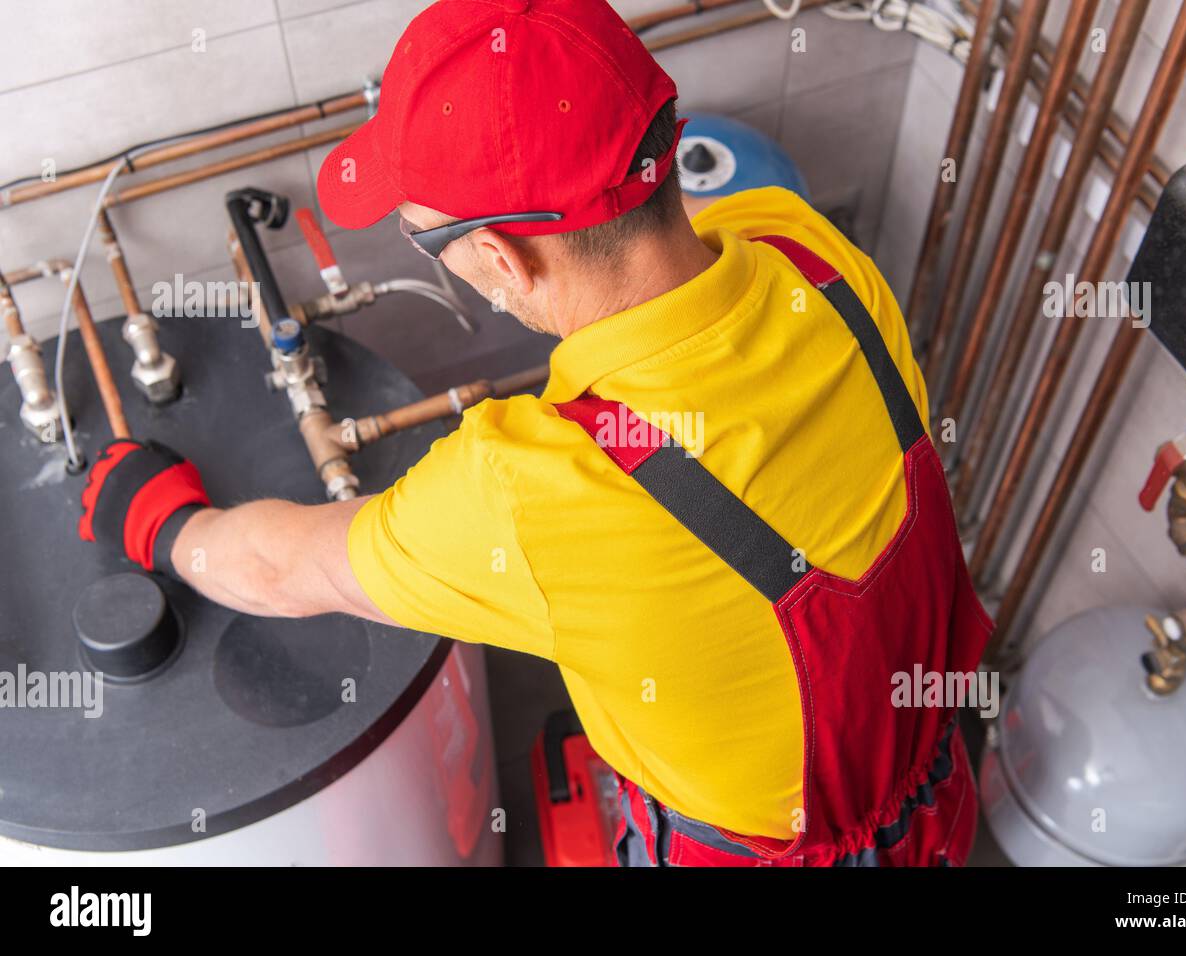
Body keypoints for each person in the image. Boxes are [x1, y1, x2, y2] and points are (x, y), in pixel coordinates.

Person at [80, 0, 991, 866]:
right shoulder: (809, 250)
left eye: (424, 240)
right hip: (939, 786)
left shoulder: (537, 491)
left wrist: (159, 520)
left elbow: (288, 569)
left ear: (501, 255)